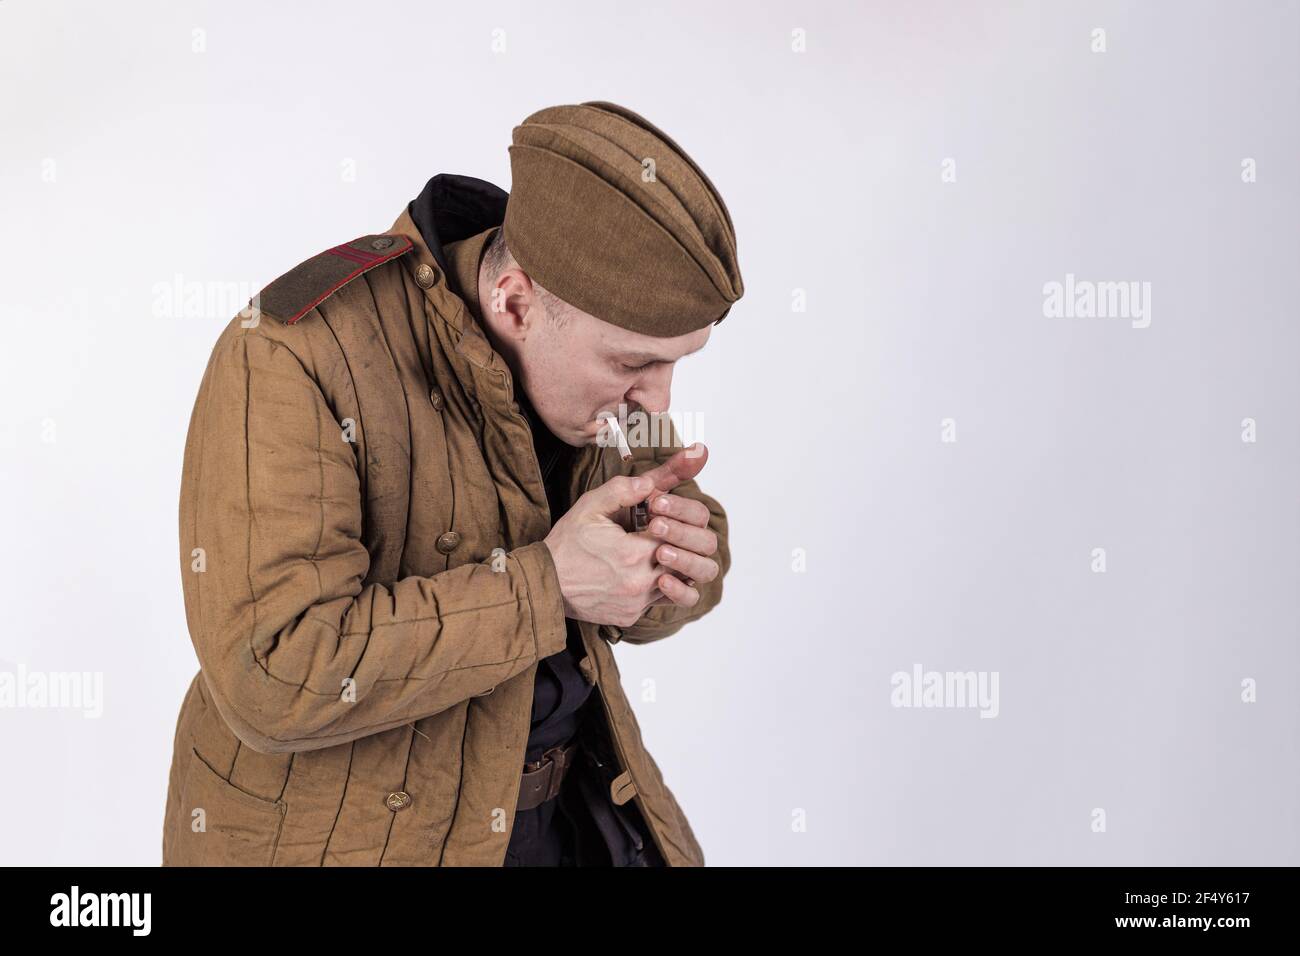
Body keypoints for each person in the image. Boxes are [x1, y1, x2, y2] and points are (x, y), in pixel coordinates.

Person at [161, 101, 743, 866]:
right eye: (635, 364)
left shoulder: (600, 357)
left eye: (676, 364)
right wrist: (549, 588)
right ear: (516, 300)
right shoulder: (290, 355)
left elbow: (652, 555)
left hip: (566, 817)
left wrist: (675, 566)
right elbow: (272, 671)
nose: (659, 401)